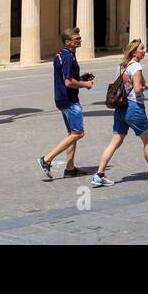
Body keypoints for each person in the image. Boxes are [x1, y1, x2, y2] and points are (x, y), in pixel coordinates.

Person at [92, 39, 148, 187]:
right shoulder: (136, 66)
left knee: (115, 142)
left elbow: (124, 85)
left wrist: (144, 85)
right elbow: (136, 89)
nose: (144, 51)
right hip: (134, 107)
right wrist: (146, 86)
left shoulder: (121, 67)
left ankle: (99, 174)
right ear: (134, 52)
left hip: (121, 108)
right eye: (141, 49)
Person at [39, 28, 93, 181]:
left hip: (62, 99)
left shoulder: (61, 55)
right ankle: (47, 159)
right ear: (68, 42)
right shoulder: (68, 57)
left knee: (72, 134)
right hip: (69, 100)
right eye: (77, 39)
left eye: (80, 38)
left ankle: (70, 168)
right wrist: (85, 84)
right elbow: (69, 82)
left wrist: (81, 78)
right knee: (78, 133)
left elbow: (67, 77)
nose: (80, 41)